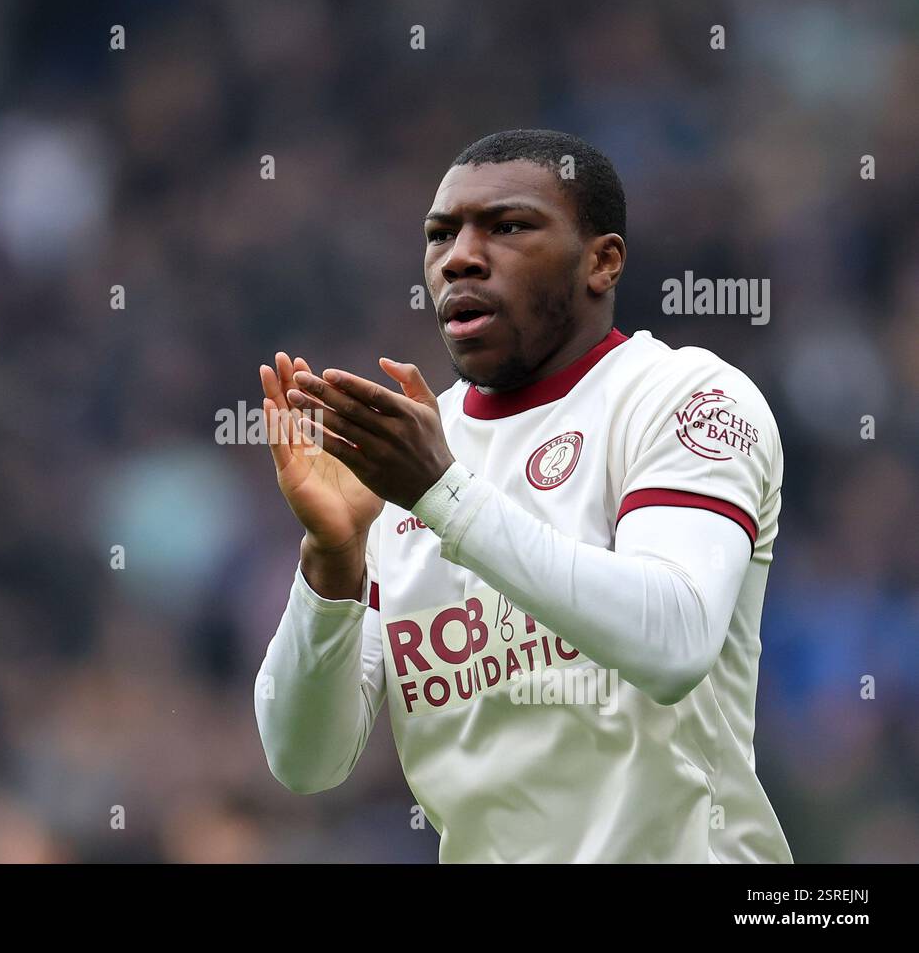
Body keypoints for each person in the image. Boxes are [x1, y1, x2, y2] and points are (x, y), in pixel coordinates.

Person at [253, 129, 792, 863]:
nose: (460, 256)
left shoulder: (684, 396)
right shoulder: (403, 458)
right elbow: (304, 760)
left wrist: (442, 494)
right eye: (440, 235)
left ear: (602, 260)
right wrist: (332, 556)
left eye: (507, 226)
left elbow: (674, 641)